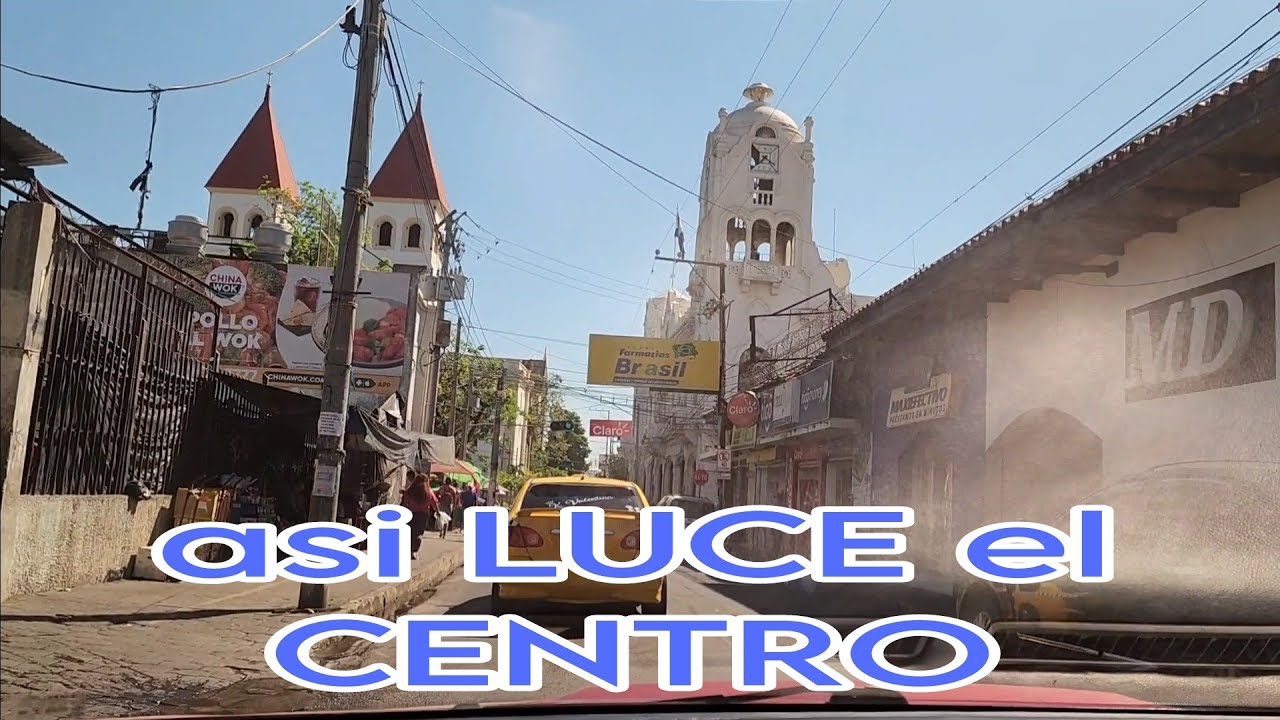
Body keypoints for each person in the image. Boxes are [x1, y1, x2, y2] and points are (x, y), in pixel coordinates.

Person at [400, 472, 436, 560]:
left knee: (410, 532)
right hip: (423, 515)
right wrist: (437, 512)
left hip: (411, 513)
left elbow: (404, 502)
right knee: (418, 533)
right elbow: (434, 502)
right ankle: (414, 552)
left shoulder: (410, 491)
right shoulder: (428, 491)